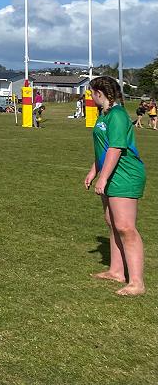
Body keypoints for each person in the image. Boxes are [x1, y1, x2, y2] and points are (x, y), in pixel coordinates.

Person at [83, 76, 146, 296]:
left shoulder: (117, 115)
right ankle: (117, 271)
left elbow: (116, 149)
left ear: (100, 93)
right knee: (112, 222)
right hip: (111, 172)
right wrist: (94, 170)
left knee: (125, 226)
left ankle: (137, 282)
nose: (90, 96)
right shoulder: (105, 114)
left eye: (91, 93)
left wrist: (104, 177)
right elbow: (104, 147)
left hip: (125, 175)